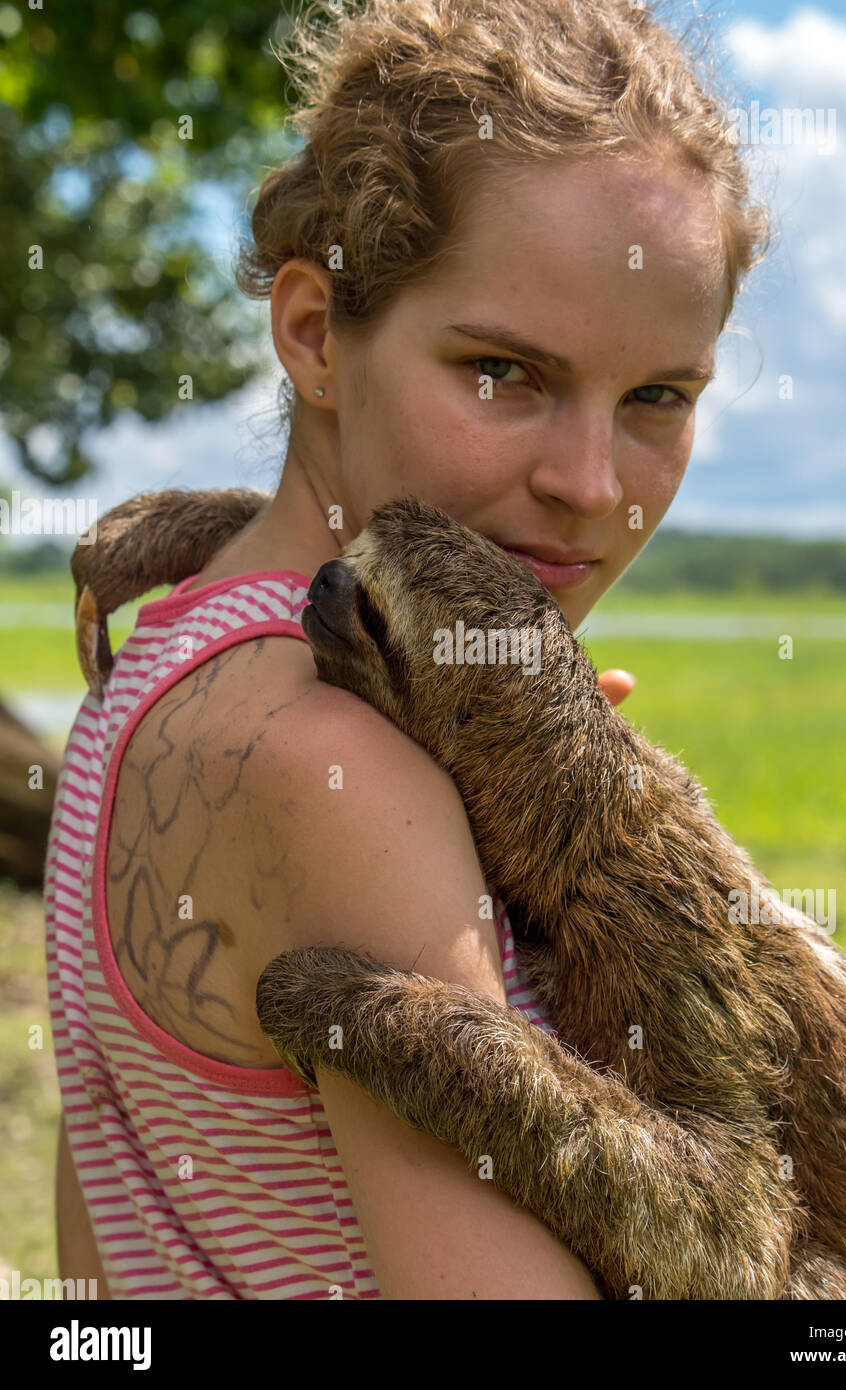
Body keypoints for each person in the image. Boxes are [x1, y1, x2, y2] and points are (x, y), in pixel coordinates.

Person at [46, 0, 770, 1299]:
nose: (594, 484)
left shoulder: (149, 655)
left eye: (660, 395)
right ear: (317, 333)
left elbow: (103, 1226)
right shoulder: (344, 764)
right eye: (503, 371)